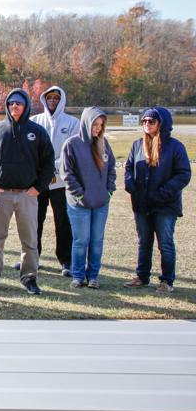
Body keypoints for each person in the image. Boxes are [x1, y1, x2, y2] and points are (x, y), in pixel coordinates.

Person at [0, 89, 54, 295]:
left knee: (29, 240)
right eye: (11, 103)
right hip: (0, 194)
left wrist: (38, 187)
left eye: (19, 103)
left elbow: (48, 163)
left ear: (26, 106)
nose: (14, 106)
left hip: (26, 196)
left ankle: (29, 277)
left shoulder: (37, 132)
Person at [124, 107, 191, 294]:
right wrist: (131, 186)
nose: (147, 124)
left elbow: (184, 174)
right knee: (144, 241)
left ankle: (166, 281)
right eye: (144, 121)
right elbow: (129, 168)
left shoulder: (175, 147)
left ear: (161, 123)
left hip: (165, 205)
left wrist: (163, 193)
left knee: (165, 243)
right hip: (141, 204)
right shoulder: (137, 145)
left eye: (151, 121)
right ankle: (142, 276)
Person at [60, 107, 116, 289]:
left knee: (96, 241)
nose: (98, 128)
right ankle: (77, 275)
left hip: (100, 203)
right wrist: (79, 194)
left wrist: (108, 191)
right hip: (79, 204)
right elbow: (66, 173)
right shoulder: (71, 144)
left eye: (101, 125)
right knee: (80, 241)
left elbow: (112, 171)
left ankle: (93, 276)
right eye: (95, 124)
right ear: (86, 122)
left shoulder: (104, 144)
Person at [30, 86, 78, 277]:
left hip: (61, 182)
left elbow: (72, 152)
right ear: (44, 99)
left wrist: (54, 168)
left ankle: (66, 260)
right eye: (49, 97)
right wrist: (42, 170)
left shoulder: (73, 123)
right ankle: (32, 257)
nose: (52, 100)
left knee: (63, 221)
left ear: (62, 100)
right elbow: (30, 151)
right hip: (38, 181)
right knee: (34, 220)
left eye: (56, 98)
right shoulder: (34, 121)